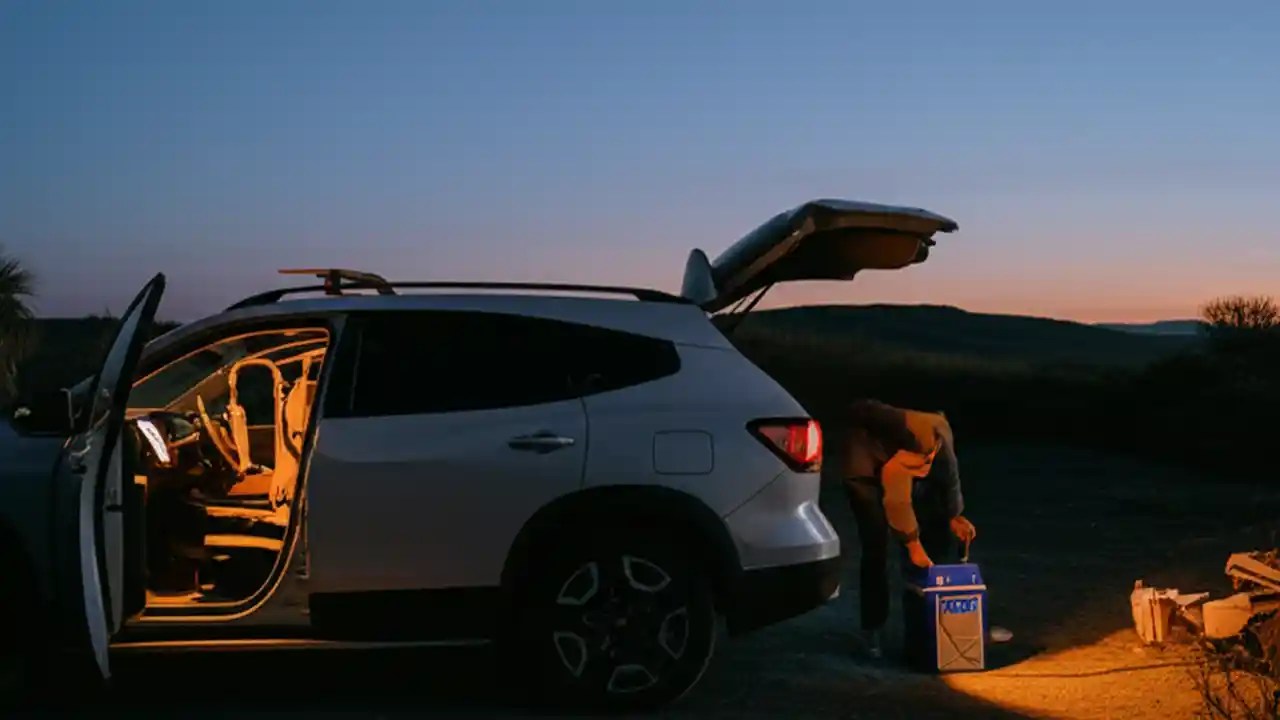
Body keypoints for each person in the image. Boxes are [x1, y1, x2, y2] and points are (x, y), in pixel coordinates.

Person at [840, 399, 977, 658]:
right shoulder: (906, 457)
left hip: (897, 449)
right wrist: (912, 543)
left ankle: (924, 627)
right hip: (864, 464)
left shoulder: (939, 433)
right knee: (876, 544)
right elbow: (896, 498)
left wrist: (954, 514)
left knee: (930, 526)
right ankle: (873, 629)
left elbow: (950, 476)